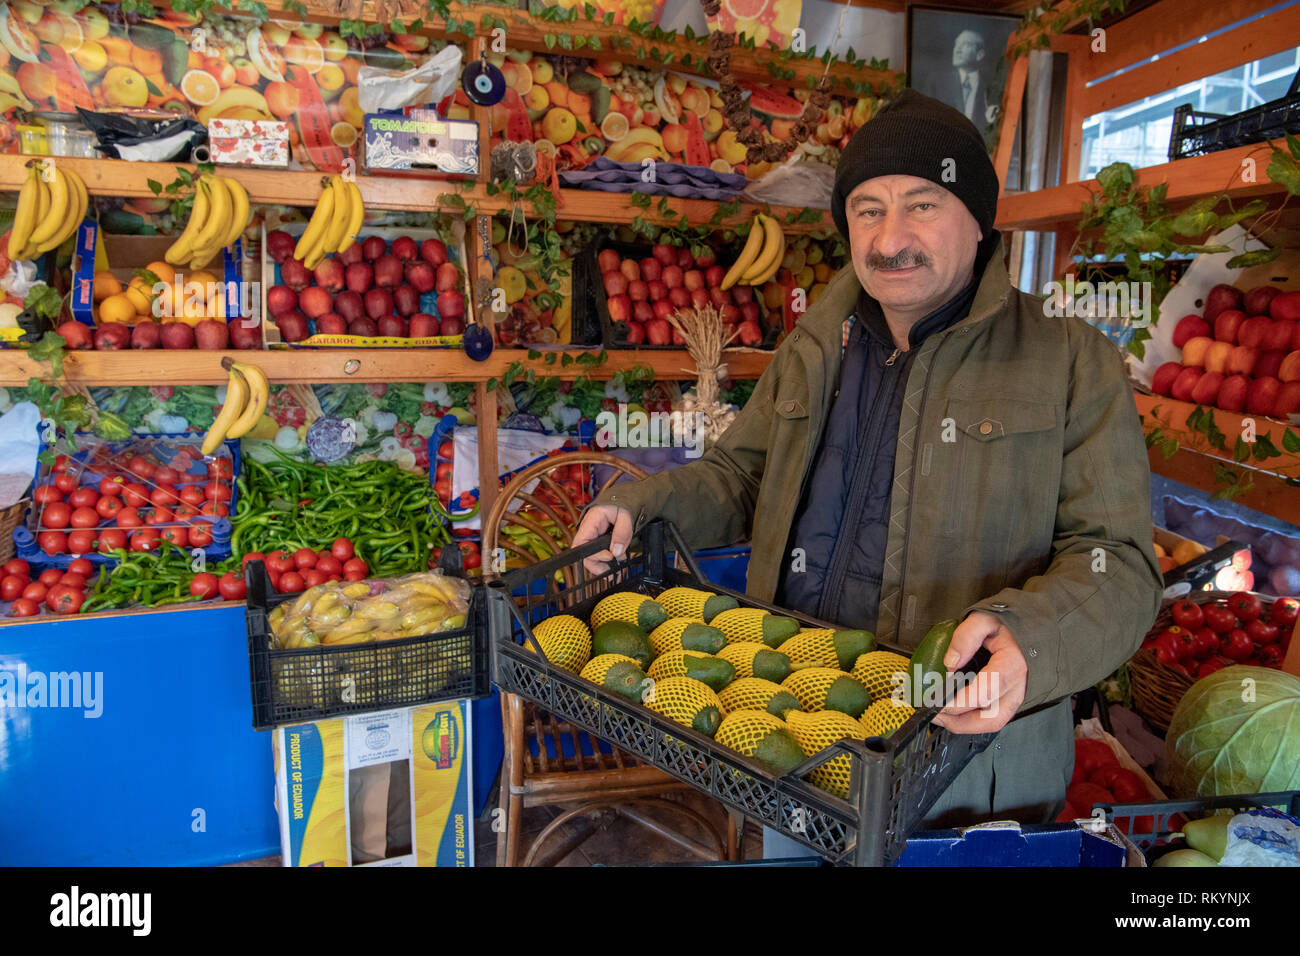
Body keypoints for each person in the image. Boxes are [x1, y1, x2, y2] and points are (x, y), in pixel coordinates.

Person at [573, 90, 1163, 842]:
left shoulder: (1069, 360)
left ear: (978, 221)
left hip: (963, 766)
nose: (891, 239)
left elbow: (1119, 564)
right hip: (791, 733)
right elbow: (742, 477)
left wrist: (1031, 640)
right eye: (867, 209)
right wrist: (645, 505)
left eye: (922, 205)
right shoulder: (817, 343)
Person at [918, 29, 1000, 144]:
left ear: (979, 54)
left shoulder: (992, 89)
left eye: (965, 44)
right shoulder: (936, 83)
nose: (957, 50)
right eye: (956, 44)